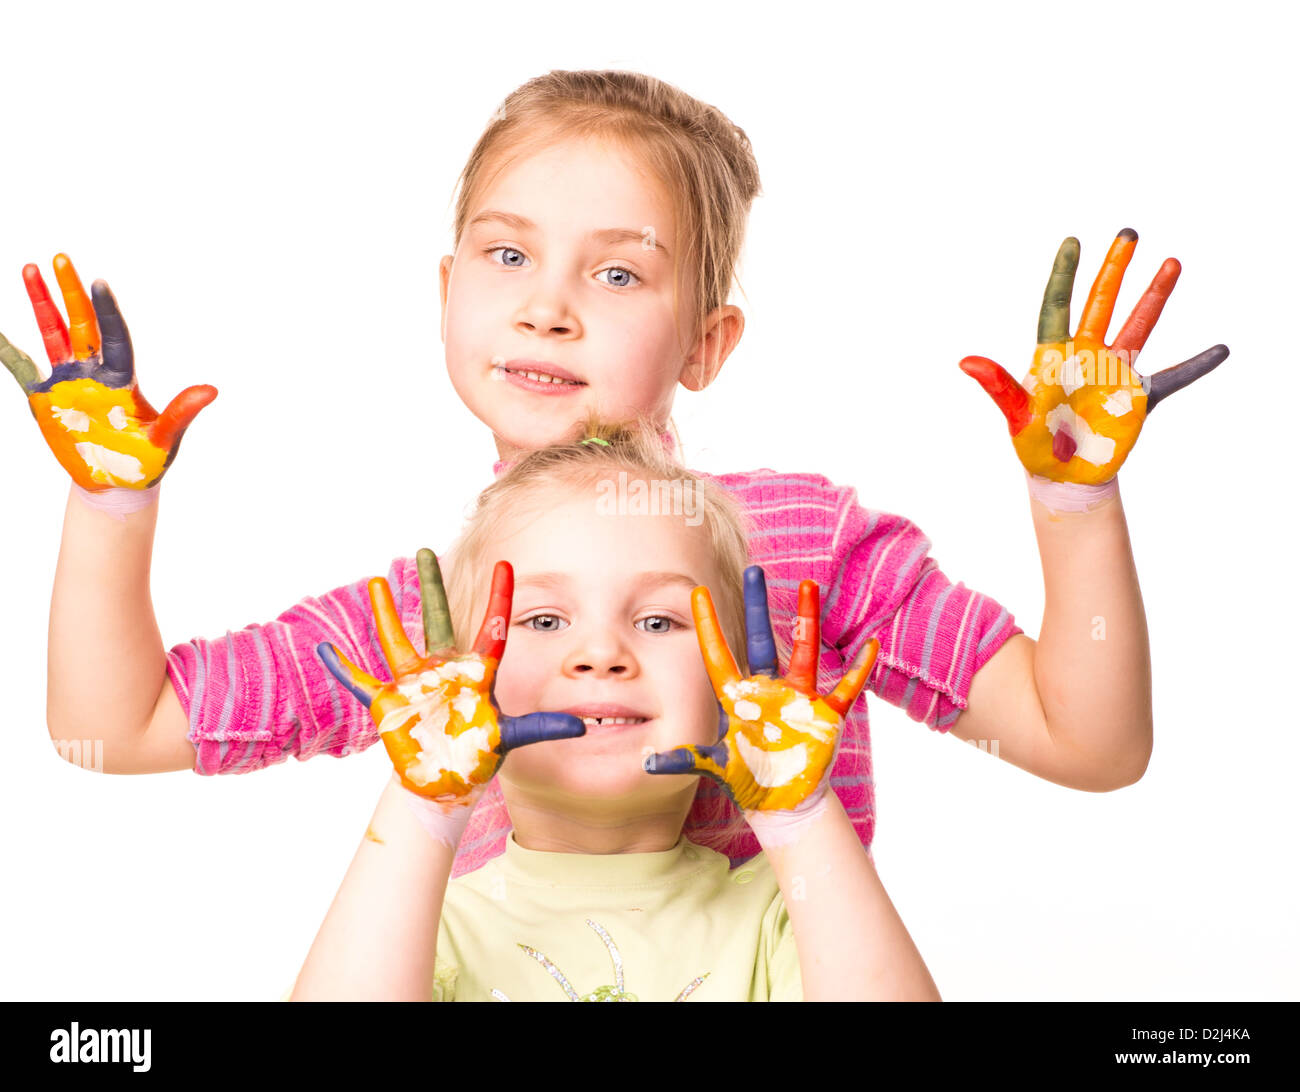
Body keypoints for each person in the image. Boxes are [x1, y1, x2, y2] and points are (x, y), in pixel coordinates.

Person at [3, 69, 1226, 878]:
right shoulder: (430, 615)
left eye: (619, 273)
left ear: (708, 341)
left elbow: (1089, 745)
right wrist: (111, 503)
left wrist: (1074, 502)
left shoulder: (803, 549)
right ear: (444, 295)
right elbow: (113, 732)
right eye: (507, 254)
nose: (546, 308)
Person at [290, 426, 937, 1001]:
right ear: (466, 679)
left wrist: (802, 818)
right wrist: (423, 805)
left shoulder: (789, 916)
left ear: (728, 687)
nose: (602, 653)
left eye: (658, 620)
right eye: (544, 619)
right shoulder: (422, 928)